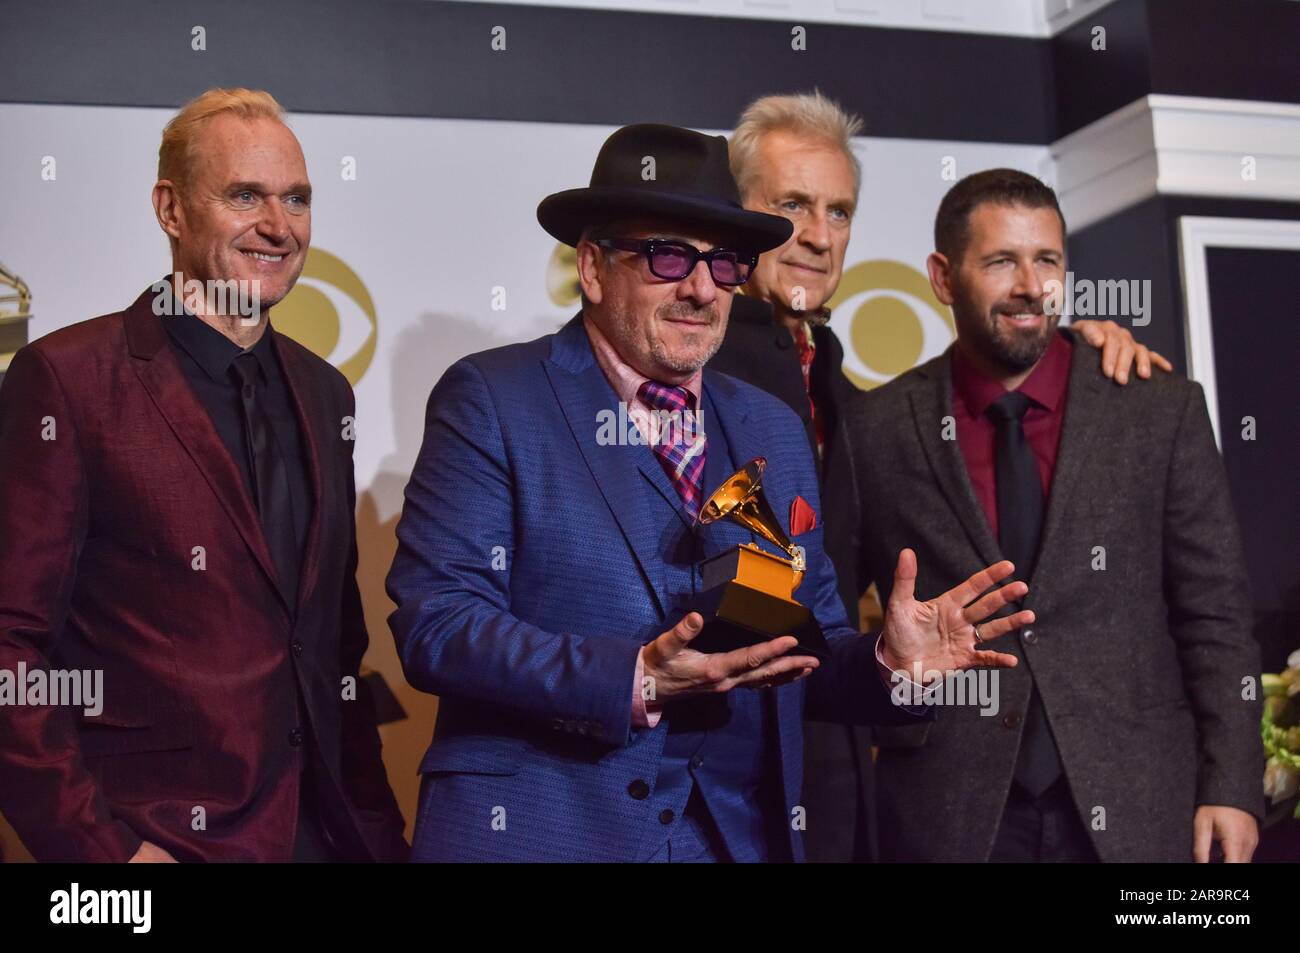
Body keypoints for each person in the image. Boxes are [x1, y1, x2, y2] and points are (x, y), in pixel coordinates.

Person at [387, 123, 1034, 862]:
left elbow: (805, 649)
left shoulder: (772, 427)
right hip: (544, 834)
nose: (700, 288)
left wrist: (889, 659)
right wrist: (635, 679)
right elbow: (439, 624)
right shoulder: (493, 399)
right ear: (593, 267)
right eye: (669, 257)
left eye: (725, 264)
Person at [711, 90, 1172, 862]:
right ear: (737, 216)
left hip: (836, 775)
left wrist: (1073, 349)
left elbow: (826, 606)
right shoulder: (700, 366)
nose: (819, 237)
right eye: (792, 205)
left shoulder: (833, 381)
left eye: (839, 211)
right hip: (724, 785)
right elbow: (734, 596)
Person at [0, 88, 407, 862]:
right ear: (171, 208)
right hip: (159, 844)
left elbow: (334, 652)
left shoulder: (326, 392)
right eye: (244, 195)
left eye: (297, 199)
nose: (277, 226)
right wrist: (103, 857)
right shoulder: (68, 378)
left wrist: (379, 835)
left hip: (328, 837)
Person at [846, 168, 1262, 862]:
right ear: (943, 278)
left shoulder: (1159, 408)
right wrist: (890, 665)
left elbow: (1215, 614)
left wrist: (1234, 783)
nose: (1030, 285)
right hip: (949, 816)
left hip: (1140, 804)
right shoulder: (877, 428)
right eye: (1002, 261)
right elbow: (828, 628)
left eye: (1047, 260)